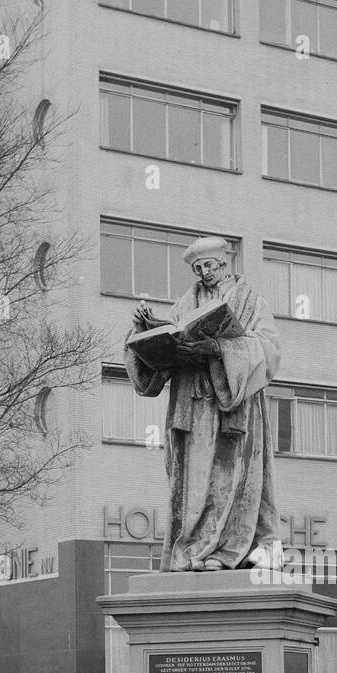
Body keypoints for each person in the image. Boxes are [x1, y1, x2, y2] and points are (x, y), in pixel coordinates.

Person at [124, 236, 280, 572]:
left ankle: (226, 552)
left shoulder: (251, 300)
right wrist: (144, 332)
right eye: (198, 268)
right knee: (194, 481)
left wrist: (218, 349)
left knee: (231, 476)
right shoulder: (184, 304)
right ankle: (194, 549)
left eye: (208, 265)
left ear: (223, 263)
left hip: (232, 407)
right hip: (192, 408)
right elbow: (165, 350)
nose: (204, 272)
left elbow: (268, 349)